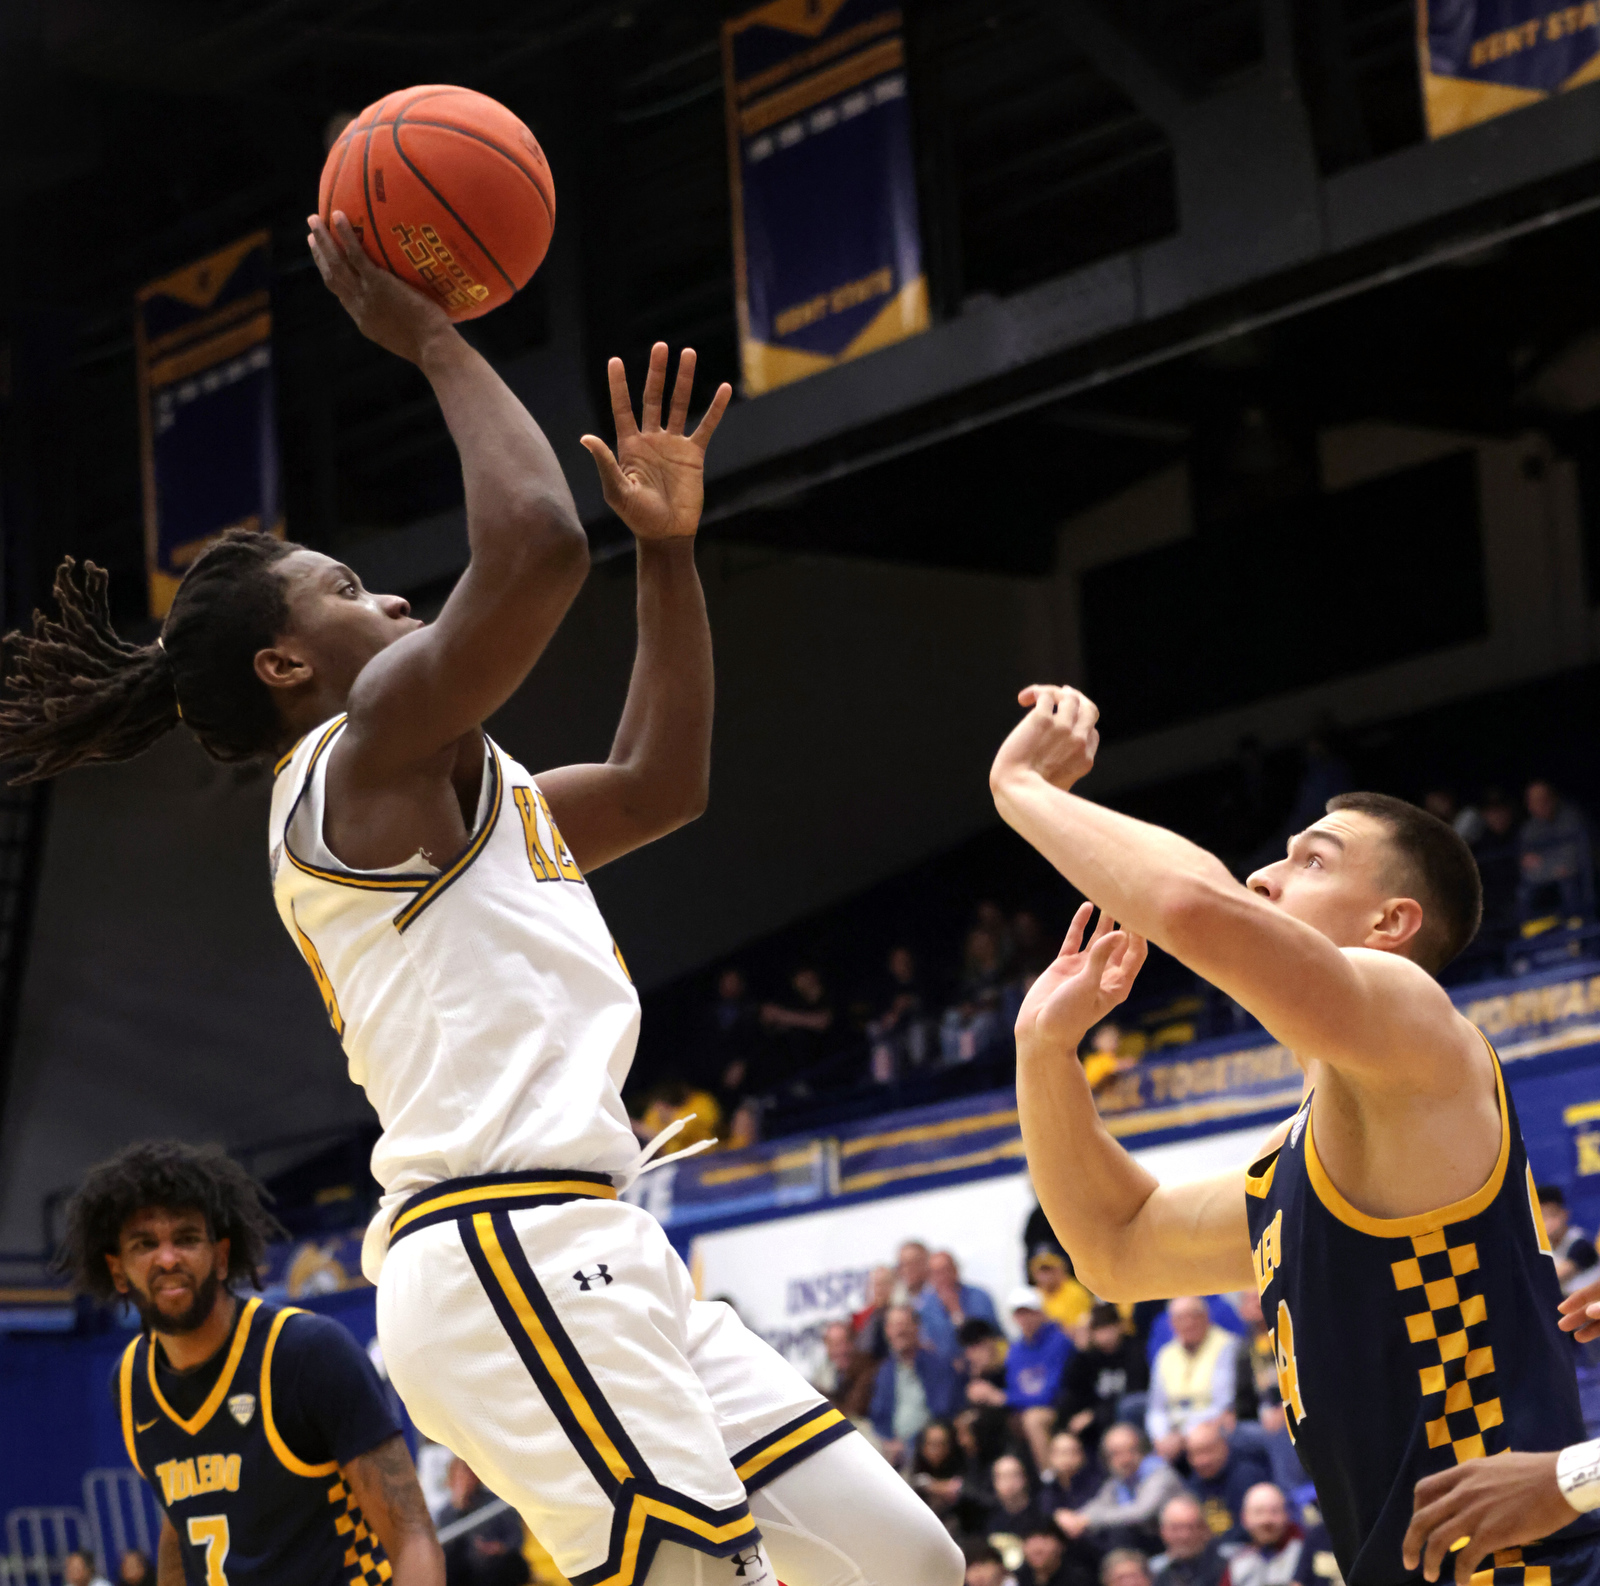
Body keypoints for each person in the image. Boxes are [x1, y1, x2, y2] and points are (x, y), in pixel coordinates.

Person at [6, 217, 960, 1586]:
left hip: (600, 1241)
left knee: (903, 1562)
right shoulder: (358, 752)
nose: (384, 591)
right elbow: (533, 544)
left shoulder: (448, 784)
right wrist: (434, 338)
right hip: (505, 1243)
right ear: (285, 662)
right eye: (344, 588)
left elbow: (655, 785)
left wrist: (674, 552)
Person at [991, 681, 1599, 1586]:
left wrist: (1026, 791)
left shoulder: (1415, 1017)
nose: (1264, 877)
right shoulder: (1308, 1158)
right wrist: (1043, 1050)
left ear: (1390, 925)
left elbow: (1195, 909)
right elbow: (1113, 1247)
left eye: (1312, 861)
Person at [59, 1140, 443, 1586]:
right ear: (118, 1270)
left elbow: (413, 1535)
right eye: (145, 1244)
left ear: (221, 1258)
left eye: (185, 1238)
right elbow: (178, 1527)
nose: (167, 1258)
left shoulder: (306, 1352)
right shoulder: (130, 1382)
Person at [1067, 1423, 1183, 1554]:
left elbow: (1141, 1512)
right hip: (1145, 1547)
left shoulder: (1160, 1473)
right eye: (1115, 1454)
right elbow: (1099, 1503)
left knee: (1119, 1533)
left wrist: (1089, 1520)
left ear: (1142, 1450)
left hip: (1173, 1546)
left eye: (1130, 1450)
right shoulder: (1118, 1481)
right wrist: (1075, 1518)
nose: (1124, 1459)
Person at [1147, 1300, 1238, 1462]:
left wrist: (1183, 1434)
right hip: (1172, 1434)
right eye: (1181, 1318)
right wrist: (1161, 1437)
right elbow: (1156, 1409)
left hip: (1211, 1427)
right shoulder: (1165, 1355)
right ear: (1172, 1323)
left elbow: (1223, 1404)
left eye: (1194, 1316)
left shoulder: (1227, 1346)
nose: (1189, 1323)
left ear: (1207, 1317)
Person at [870, 1304, 960, 1467]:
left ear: (916, 1327)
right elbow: (878, 1415)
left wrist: (909, 1444)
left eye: (903, 1325)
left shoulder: (938, 1365)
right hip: (891, 1450)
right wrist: (889, 1441)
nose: (899, 1332)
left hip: (927, 1449)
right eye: (893, 1326)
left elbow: (942, 1412)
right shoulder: (885, 1371)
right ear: (887, 1331)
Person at [1057, 1304, 1147, 1458]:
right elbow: (1073, 1386)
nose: (1104, 1335)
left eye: (1108, 1327)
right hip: (1096, 1411)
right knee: (1064, 1404)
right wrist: (1081, 1350)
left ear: (1119, 1326)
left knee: (1110, 1413)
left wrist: (1093, 1414)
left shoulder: (1134, 1350)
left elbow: (1136, 1389)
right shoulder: (1090, 1356)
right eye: (1098, 1330)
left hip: (1123, 1410)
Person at [1005, 1287, 1074, 1471]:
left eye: (1029, 1312)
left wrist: (1008, 1399)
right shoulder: (1015, 1351)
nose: (1025, 1319)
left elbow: (1052, 1391)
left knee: (1032, 1419)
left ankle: (1049, 1476)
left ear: (1040, 1313)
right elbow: (1014, 1389)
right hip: (1028, 1407)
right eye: (1019, 1314)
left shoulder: (1059, 1341)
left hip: (1059, 1406)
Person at [434, 1458, 529, 1586]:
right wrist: (459, 1507)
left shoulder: (496, 1504)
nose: (466, 1480)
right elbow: (445, 1551)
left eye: (470, 1474)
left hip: (497, 1564)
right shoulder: (446, 1513)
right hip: (467, 1572)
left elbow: (517, 1538)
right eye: (460, 1476)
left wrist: (498, 1547)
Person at [1517, 781, 1593, 925]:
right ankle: (1532, 937)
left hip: (1572, 876)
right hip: (1545, 878)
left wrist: (1544, 864)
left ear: (1553, 799)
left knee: (1569, 885)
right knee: (1523, 892)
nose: (1541, 804)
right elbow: (1527, 868)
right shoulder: (1528, 830)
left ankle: (1577, 931)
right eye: (1535, 801)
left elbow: (1571, 859)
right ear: (1529, 805)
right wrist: (1553, 869)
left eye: (1544, 799)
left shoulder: (1571, 818)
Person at [1184, 1421, 1270, 1544]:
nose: (1202, 1461)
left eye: (1207, 1451)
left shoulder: (1247, 1475)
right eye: (1195, 1454)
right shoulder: (1193, 1484)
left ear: (1223, 1446)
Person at [919, 1250, 1001, 1365]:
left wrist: (956, 1311)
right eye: (936, 1273)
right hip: (947, 1370)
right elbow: (929, 1344)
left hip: (985, 1365)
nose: (942, 1277)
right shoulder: (927, 1307)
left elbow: (985, 1336)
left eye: (946, 1270)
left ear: (956, 1270)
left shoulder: (979, 1296)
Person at [1220, 1485, 1302, 1586]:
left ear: (1287, 1515)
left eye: (1274, 1511)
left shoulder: (1303, 1553)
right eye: (1259, 1512)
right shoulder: (1237, 1563)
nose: (1266, 1520)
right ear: (1244, 1518)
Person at [1149, 1495, 1224, 1586]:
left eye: (1191, 1527)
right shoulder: (1154, 1572)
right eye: (1175, 1528)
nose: (1184, 1536)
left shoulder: (1227, 1568)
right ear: (1163, 1532)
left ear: (1205, 1530)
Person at [1540, 1185, 1600, 1294]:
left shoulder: (1580, 1244)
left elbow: (1552, 1279)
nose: (1547, 1222)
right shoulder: (1543, 1244)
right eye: (1542, 1217)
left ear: (1564, 1214)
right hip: (1568, 1304)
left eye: (1552, 1215)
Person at [984, 1454, 1049, 1548]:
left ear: (1025, 1478)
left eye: (1014, 1475)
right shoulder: (991, 1521)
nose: (1009, 1482)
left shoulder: (1043, 1513)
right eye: (1002, 1477)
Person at [1039, 1430, 1100, 1520]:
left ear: (1082, 1456)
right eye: (1062, 1453)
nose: (1067, 1458)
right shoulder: (1047, 1492)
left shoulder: (1096, 1485)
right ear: (1051, 1457)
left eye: (1073, 1452)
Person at [1014, 1519, 1094, 1586]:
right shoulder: (1018, 1579)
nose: (1036, 1549)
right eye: (1029, 1541)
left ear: (1061, 1545)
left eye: (1044, 1539)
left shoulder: (1079, 1580)